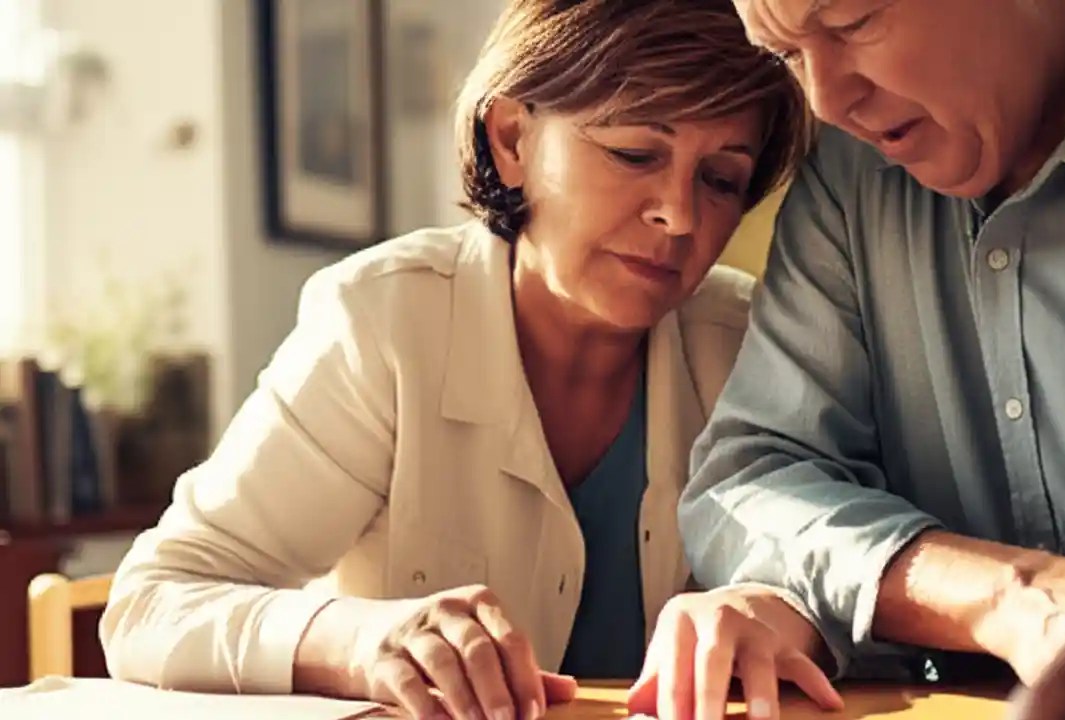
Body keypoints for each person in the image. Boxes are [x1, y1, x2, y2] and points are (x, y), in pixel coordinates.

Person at [100, 3, 844, 720]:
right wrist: (358, 639)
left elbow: (838, 594)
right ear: (512, 140)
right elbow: (152, 602)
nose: (679, 216)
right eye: (633, 154)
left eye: (720, 180)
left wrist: (777, 611)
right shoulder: (382, 322)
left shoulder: (749, 343)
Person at [681, 0, 1065, 716]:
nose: (826, 101)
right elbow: (751, 481)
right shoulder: (846, 184)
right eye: (786, 55)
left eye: (849, 25)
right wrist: (1005, 593)